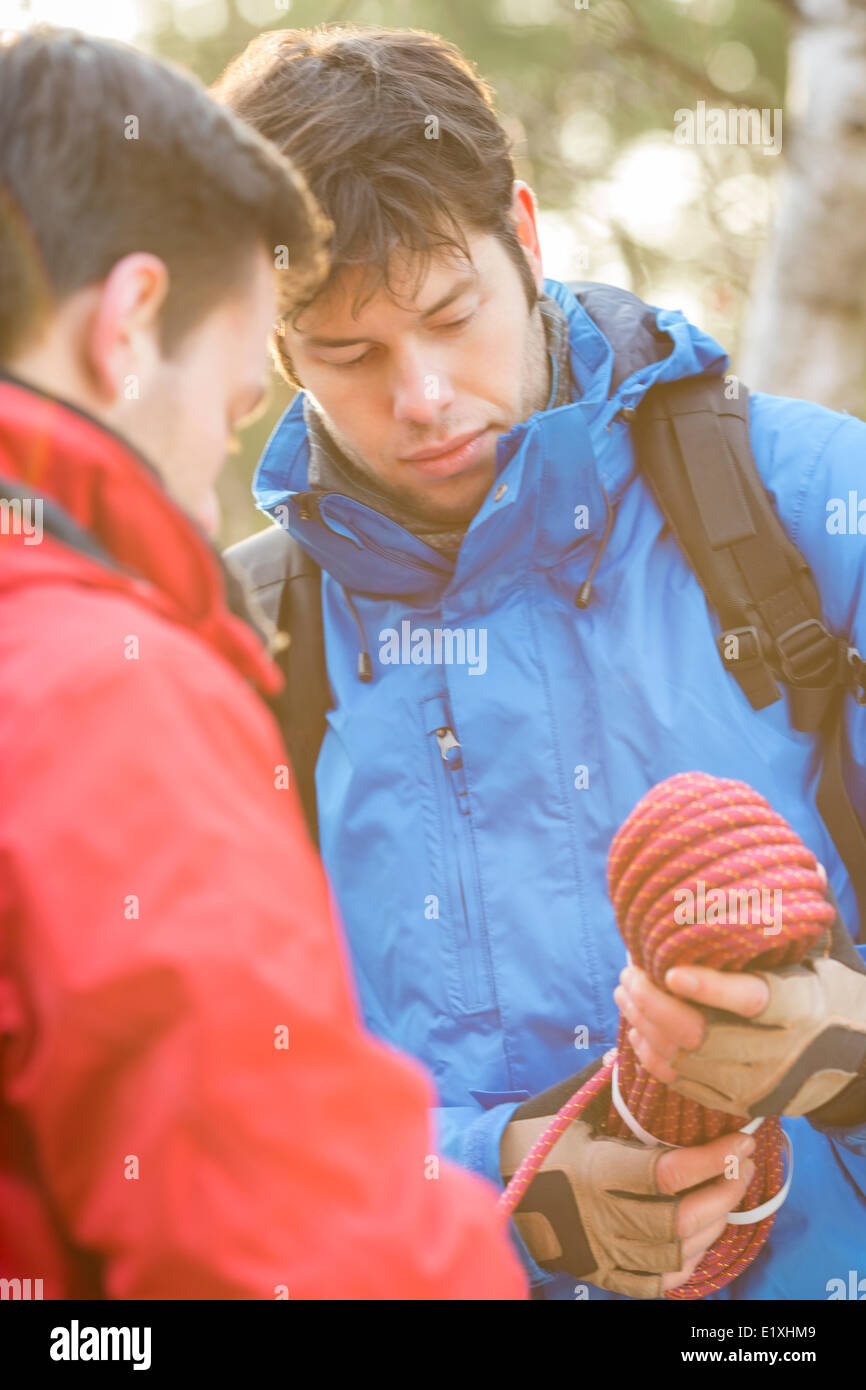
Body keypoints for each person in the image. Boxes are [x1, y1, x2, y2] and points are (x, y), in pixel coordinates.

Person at [217, 24, 866, 1301]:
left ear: (523, 230)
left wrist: (842, 1048)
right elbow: (220, 1107)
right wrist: (495, 1182)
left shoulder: (809, 503)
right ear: (275, 344)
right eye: (348, 353)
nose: (422, 396)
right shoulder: (240, 644)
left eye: (451, 316)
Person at [0, 26, 526, 1301]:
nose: (204, 486)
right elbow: (305, 1256)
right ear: (128, 323)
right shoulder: (101, 683)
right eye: (240, 407)